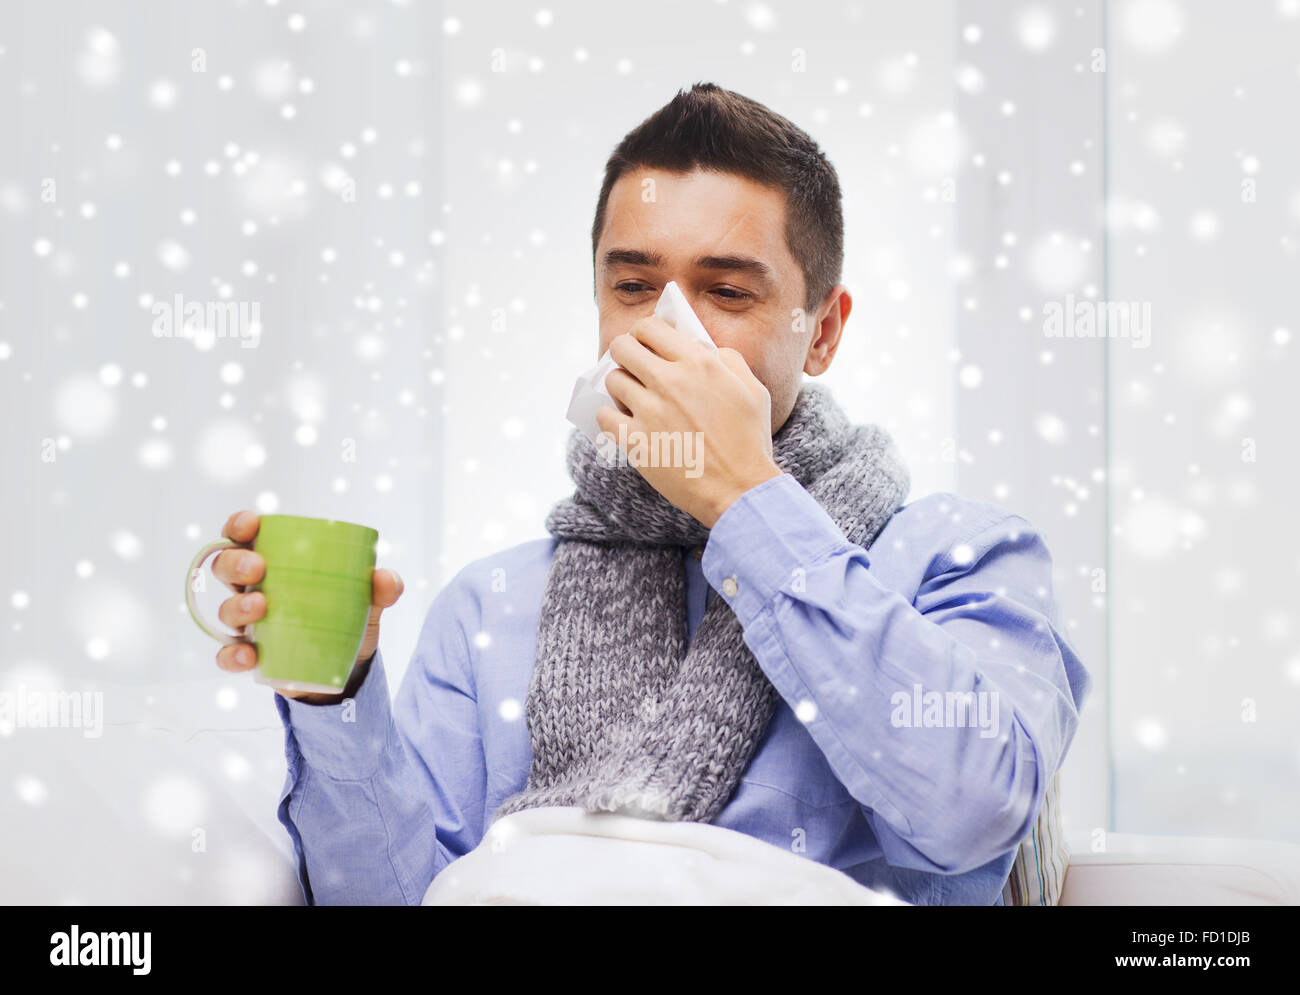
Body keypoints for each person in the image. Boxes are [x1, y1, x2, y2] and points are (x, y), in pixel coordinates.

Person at [210, 82, 1091, 905]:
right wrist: (335, 694)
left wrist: (746, 498)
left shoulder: (957, 555)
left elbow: (977, 809)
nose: (671, 333)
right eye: (635, 287)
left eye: (726, 291)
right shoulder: (491, 607)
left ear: (821, 331)